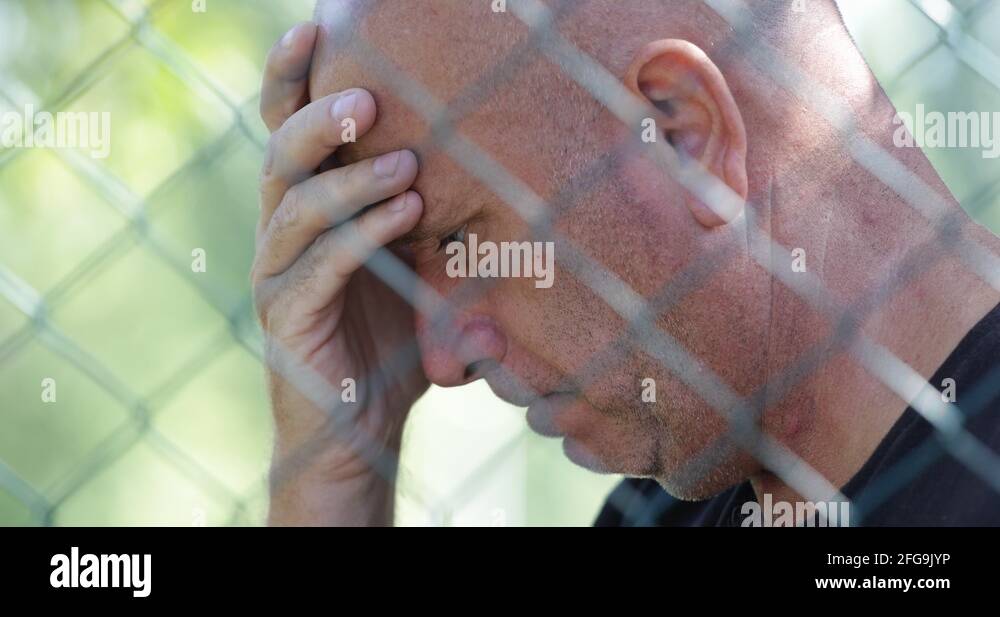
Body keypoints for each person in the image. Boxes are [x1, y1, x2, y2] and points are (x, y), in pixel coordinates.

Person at [252, 0, 1000, 526]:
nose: (441, 362)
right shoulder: (667, 505)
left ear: (682, 136)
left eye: (459, 243)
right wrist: (334, 473)